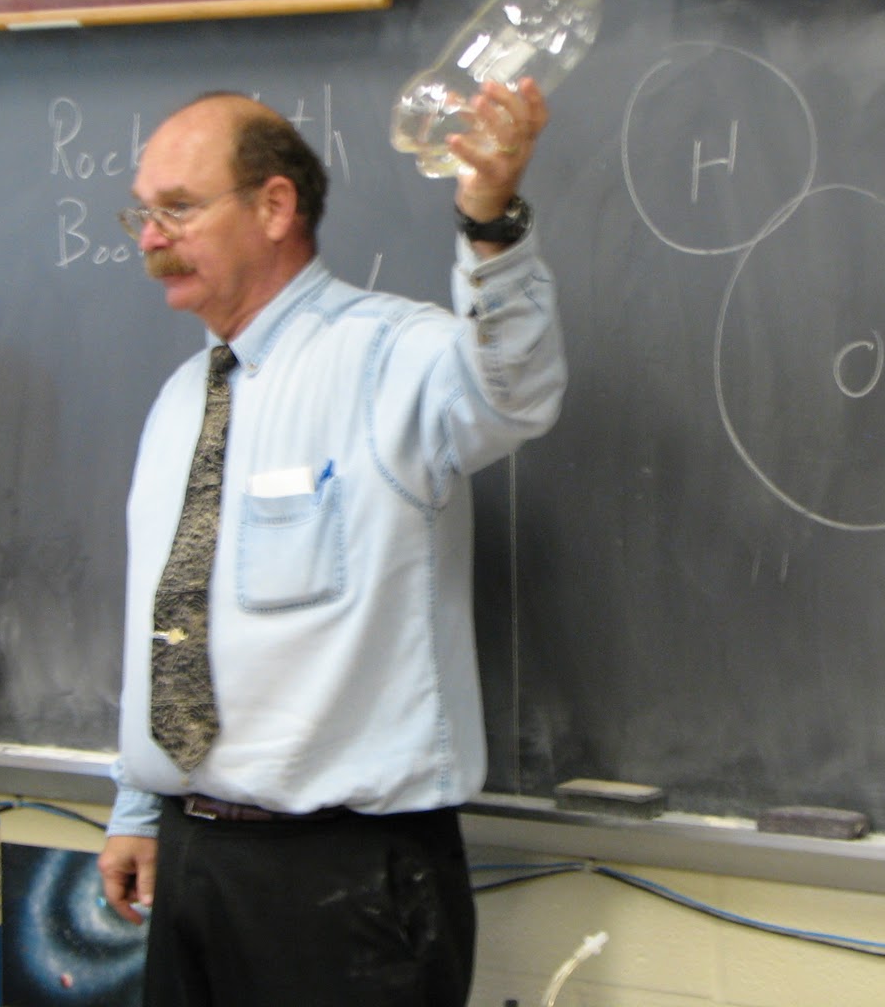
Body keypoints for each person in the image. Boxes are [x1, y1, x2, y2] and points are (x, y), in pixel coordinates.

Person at [98, 79, 566, 1007]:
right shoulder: (181, 400)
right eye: (142, 215)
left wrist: (491, 223)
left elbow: (515, 394)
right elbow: (170, 616)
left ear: (275, 206)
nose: (151, 240)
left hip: (346, 878)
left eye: (178, 210)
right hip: (191, 859)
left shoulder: (393, 356)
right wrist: (140, 808)